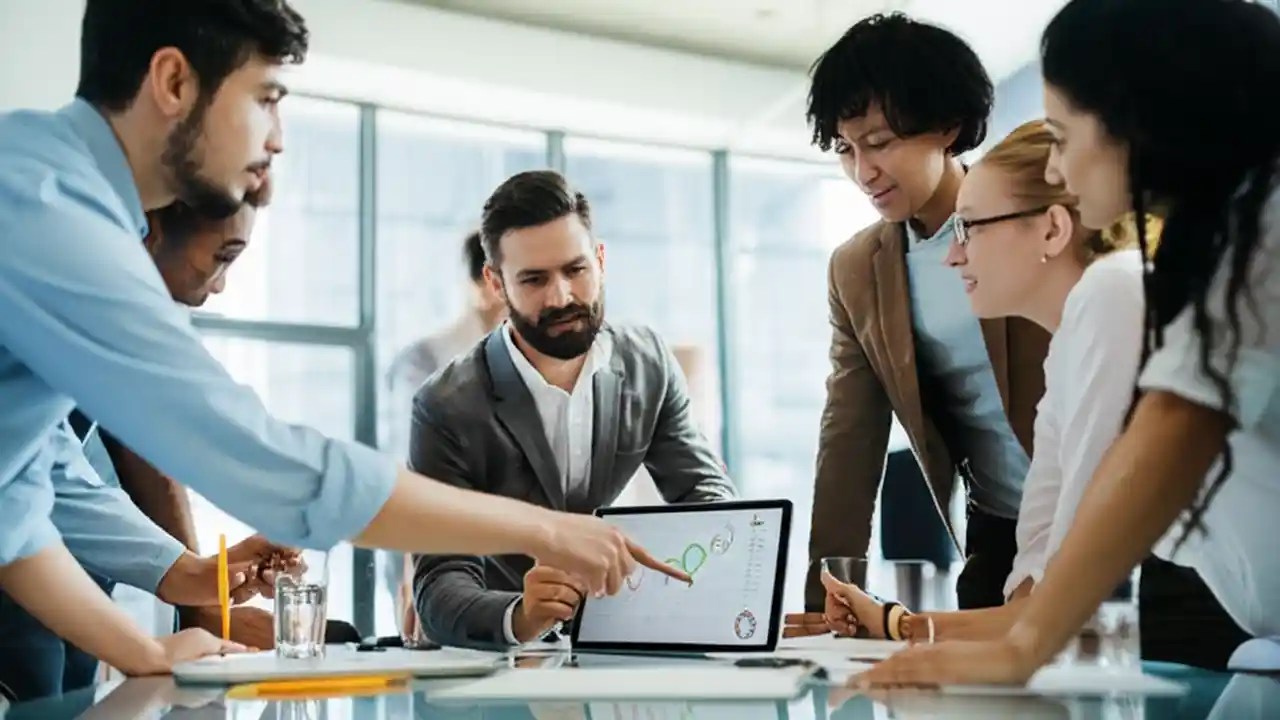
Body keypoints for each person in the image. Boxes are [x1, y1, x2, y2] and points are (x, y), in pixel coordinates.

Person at [0, 0, 677, 681]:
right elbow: (271, 464)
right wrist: (547, 529)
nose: (277, 138)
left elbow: (20, 496)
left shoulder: (52, 187)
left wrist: (145, 644)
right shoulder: (48, 212)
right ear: (174, 83)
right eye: (265, 99)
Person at [854, 0, 1280, 687]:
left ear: (1138, 120)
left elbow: (1173, 429)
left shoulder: (1260, 227)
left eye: (1061, 134)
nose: (1058, 169)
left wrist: (1021, 649)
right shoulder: (1219, 247)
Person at [786, 121, 1249, 669]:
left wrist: (900, 627)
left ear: (1052, 230)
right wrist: (892, 623)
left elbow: (1067, 600)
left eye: (971, 228)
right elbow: (1034, 595)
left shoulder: (1115, 292)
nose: (953, 256)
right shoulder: (1068, 347)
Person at [411, 170, 737, 648]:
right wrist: (519, 615)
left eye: (575, 270)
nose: (561, 297)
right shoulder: (445, 405)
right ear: (496, 283)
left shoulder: (649, 361)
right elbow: (439, 585)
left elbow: (705, 496)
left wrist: (729, 576)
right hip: (504, 662)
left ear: (600, 260)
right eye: (534, 279)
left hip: (623, 639)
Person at [0, 185, 285, 702]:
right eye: (223, 257)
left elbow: (44, 468)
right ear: (148, 234)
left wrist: (187, 573)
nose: (219, 288)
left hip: (60, 571)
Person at [805, 12, 1050, 612]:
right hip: (1002, 529)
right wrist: (826, 595)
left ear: (946, 126)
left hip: (1113, 507)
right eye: (845, 149)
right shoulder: (857, 269)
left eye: (880, 142)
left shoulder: (1035, 203)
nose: (863, 171)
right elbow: (849, 436)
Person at [384, 230, 507, 637]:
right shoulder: (426, 363)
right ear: (485, 284)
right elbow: (410, 475)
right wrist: (416, 577)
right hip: (435, 548)